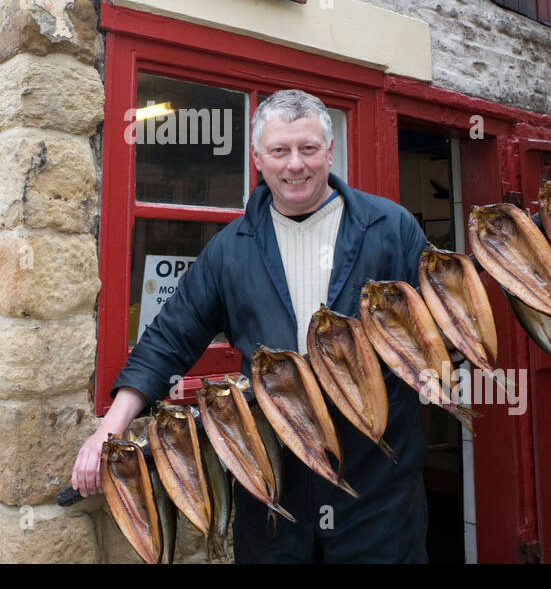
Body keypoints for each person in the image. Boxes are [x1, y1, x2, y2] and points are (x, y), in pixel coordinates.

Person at [72, 89, 430, 562]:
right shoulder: (231, 248)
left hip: (377, 481)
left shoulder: (391, 227)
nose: (295, 165)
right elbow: (169, 339)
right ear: (258, 157)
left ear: (329, 151)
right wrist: (109, 430)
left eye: (307, 148)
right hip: (270, 482)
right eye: (280, 151)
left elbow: (440, 333)